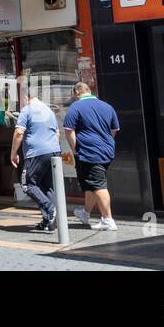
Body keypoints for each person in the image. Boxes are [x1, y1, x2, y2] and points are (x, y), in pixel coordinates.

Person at [63, 82, 120, 231]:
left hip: (89, 152)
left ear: (76, 93)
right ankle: (85, 213)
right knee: (92, 184)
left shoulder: (75, 107)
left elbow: (69, 131)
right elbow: (114, 130)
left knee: (99, 185)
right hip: (107, 151)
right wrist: (106, 144)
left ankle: (108, 219)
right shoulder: (107, 106)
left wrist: (76, 149)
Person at [11, 91, 60, 232]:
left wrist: (13, 153)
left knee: (27, 184)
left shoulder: (27, 110)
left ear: (25, 97)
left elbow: (19, 132)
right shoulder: (49, 110)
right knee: (47, 186)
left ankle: (50, 210)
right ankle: (49, 221)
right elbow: (56, 133)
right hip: (54, 151)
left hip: (36, 153)